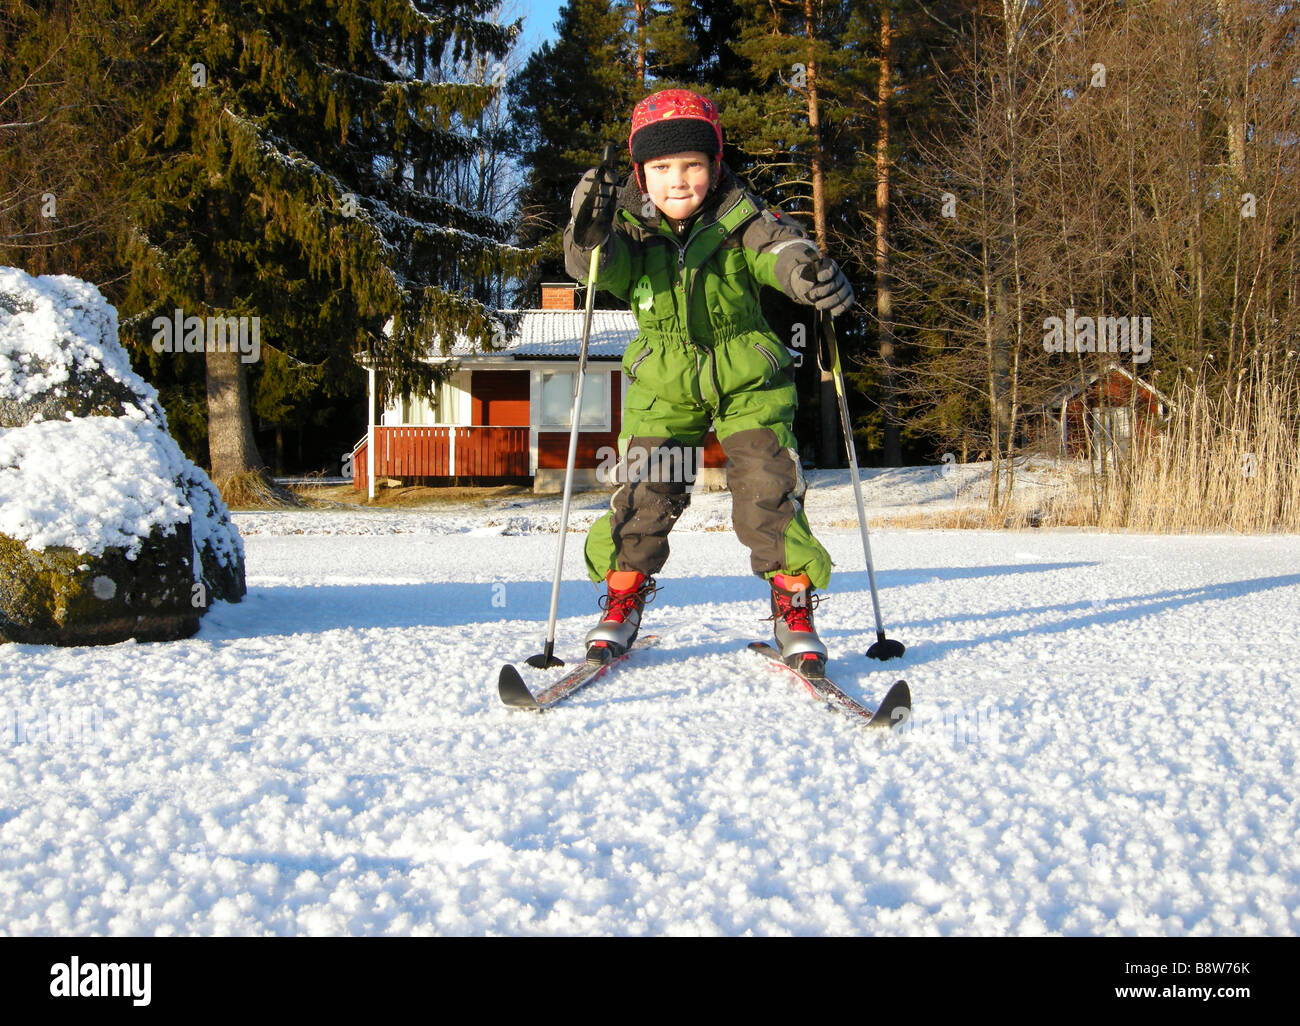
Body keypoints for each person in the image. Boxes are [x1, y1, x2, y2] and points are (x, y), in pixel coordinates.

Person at [563, 88, 854, 677]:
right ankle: (622, 599)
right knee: (646, 493)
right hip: (662, 383)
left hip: (748, 376)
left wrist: (806, 273)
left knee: (767, 489)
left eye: (693, 165)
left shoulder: (741, 216)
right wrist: (587, 228)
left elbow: (781, 247)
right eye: (661, 168)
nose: (678, 181)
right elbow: (595, 266)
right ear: (641, 174)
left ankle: (793, 610)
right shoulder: (631, 230)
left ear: (714, 165)